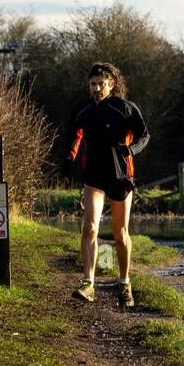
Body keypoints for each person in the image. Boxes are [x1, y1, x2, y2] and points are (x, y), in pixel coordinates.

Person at [65, 62, 149, 307]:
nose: (96, 88)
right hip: (93, 177)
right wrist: (69, 157)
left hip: (121, 177)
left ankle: (124, 283)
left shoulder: (125, 108)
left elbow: (145, 135)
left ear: (111, 85)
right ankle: (88, 283)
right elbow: (75, 135)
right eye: (93, 84)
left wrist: (131, 150)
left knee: (120, 235)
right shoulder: (82, 110)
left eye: (101, 83)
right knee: (89, 227)